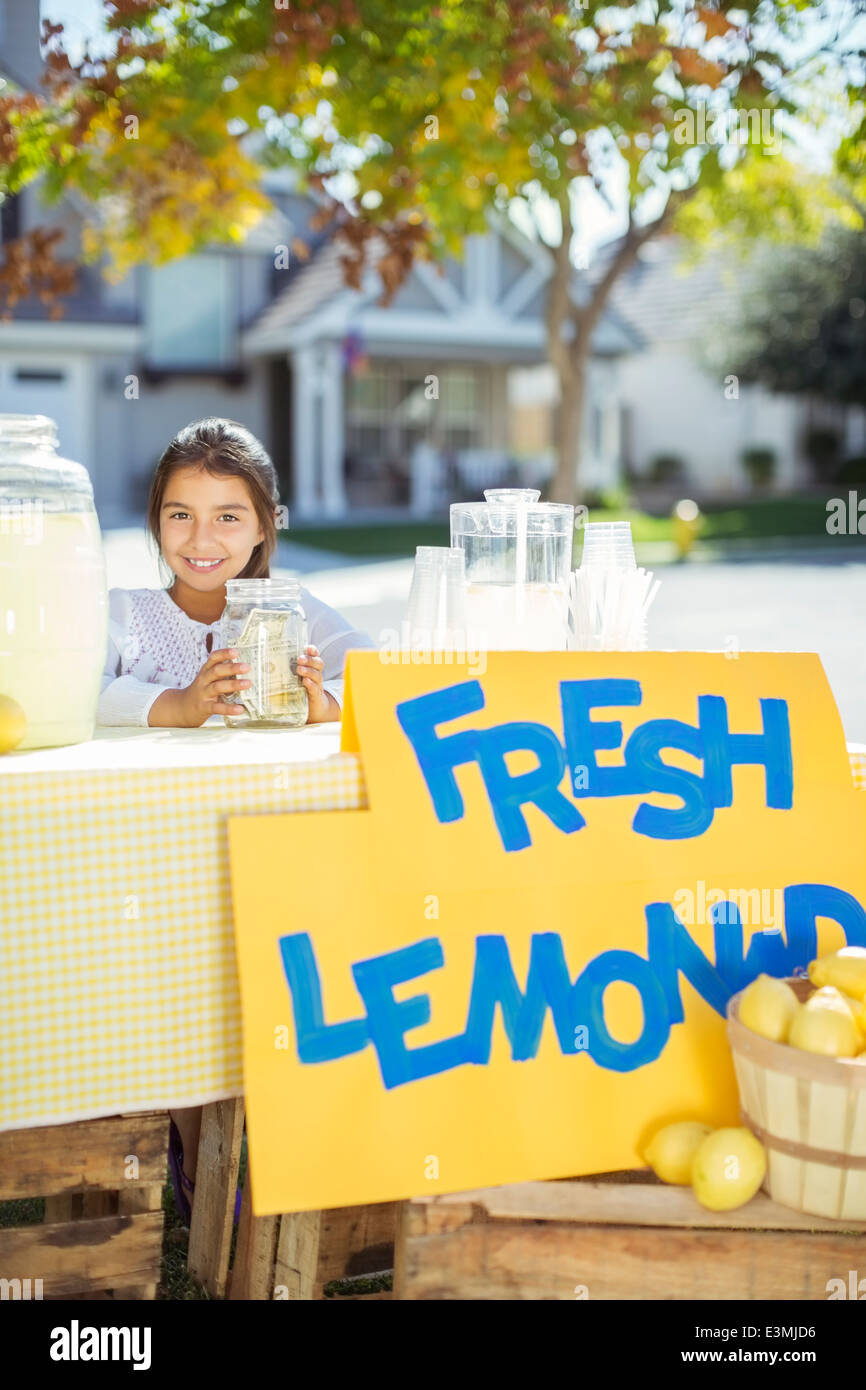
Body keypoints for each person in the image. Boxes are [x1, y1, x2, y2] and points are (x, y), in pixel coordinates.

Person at [97, 417, 377, 1221]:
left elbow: (375, 670)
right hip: (150, 872)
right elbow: (82, 686)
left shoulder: (295, 611)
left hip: (263, 863)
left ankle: (276, 1136)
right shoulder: (126, 613)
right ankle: (188, 1145)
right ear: (155, 520)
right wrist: (176, 705)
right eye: (180, 513)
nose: (202, 536)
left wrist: (322, 701)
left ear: (264, 527)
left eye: (229, 515)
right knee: (178, 971)